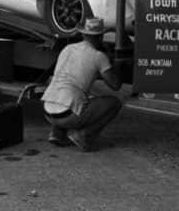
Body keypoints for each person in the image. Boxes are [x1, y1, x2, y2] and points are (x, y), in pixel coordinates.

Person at [41, 17, 124, 152]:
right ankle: (84, 136)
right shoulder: (99, 56)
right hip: (67, 115)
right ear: (101, 36)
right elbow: (115, 85)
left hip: (47, 109)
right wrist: (116, 64)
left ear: (83, 34)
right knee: (114, 103)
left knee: (73, 93)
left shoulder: (67, 48)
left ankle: (56, 133)